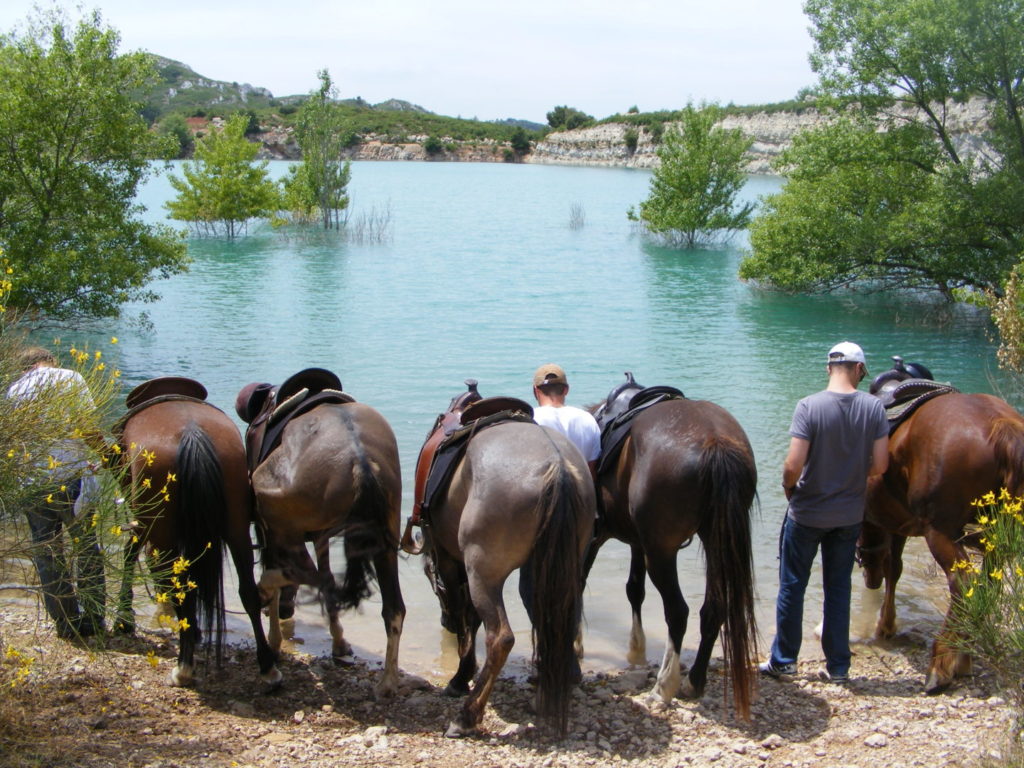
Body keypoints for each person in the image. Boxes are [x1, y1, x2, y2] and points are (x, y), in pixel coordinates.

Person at [760, 341, 889, 684]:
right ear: (860, 370)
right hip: (849, 516)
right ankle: (838, 668)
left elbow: (792, 465)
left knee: (792, 586)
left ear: (828, 368)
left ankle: (784, 661)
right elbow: (880, 465)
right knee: (838, 589)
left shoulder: (809, 406)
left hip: (807, 514)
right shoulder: (874, 409)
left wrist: (790, 489)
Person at [7, 346, 105, 638]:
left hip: (32, 485)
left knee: (48, 553)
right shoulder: (70, 378)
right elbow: (86, 427)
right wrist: (108, 456)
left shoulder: (14, 391)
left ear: (25, 368)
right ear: (50, 362)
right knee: (87, 548)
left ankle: (66, 623)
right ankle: (93, 620)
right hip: (71, 479)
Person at [531, 363, 601, 476]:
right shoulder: (588, 420)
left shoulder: (530, 419)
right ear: (566, 390)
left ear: (536, 391)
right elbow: (591, 471)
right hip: (581, 491)